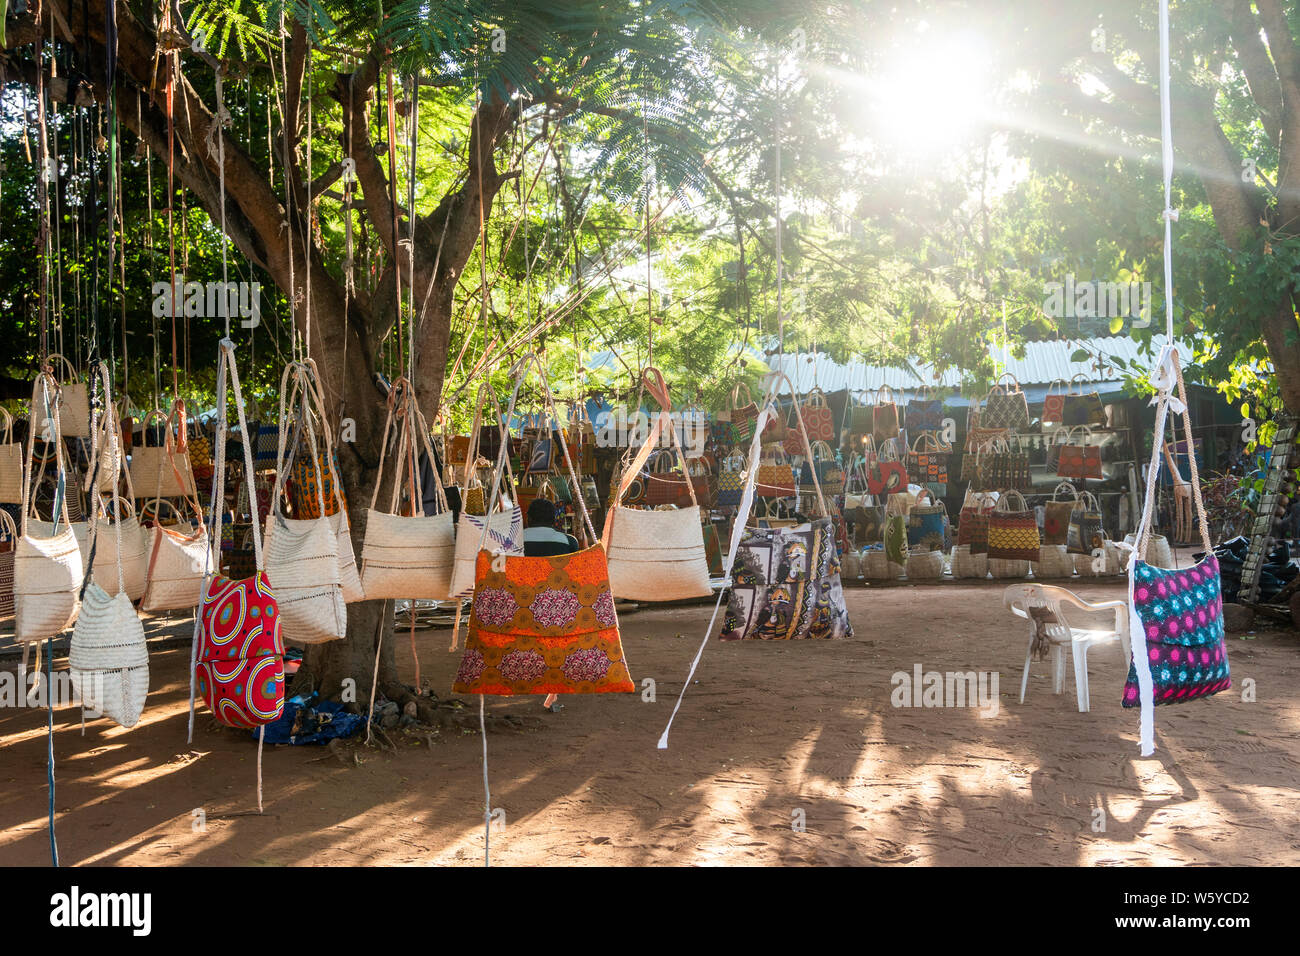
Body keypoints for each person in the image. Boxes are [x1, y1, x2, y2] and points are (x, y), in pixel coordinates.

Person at [522, 497, 578, 712]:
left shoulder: (515, 541)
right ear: (555, 519)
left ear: (529, 518)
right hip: (558, 608)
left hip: (524, 607)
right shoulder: (568, 542)